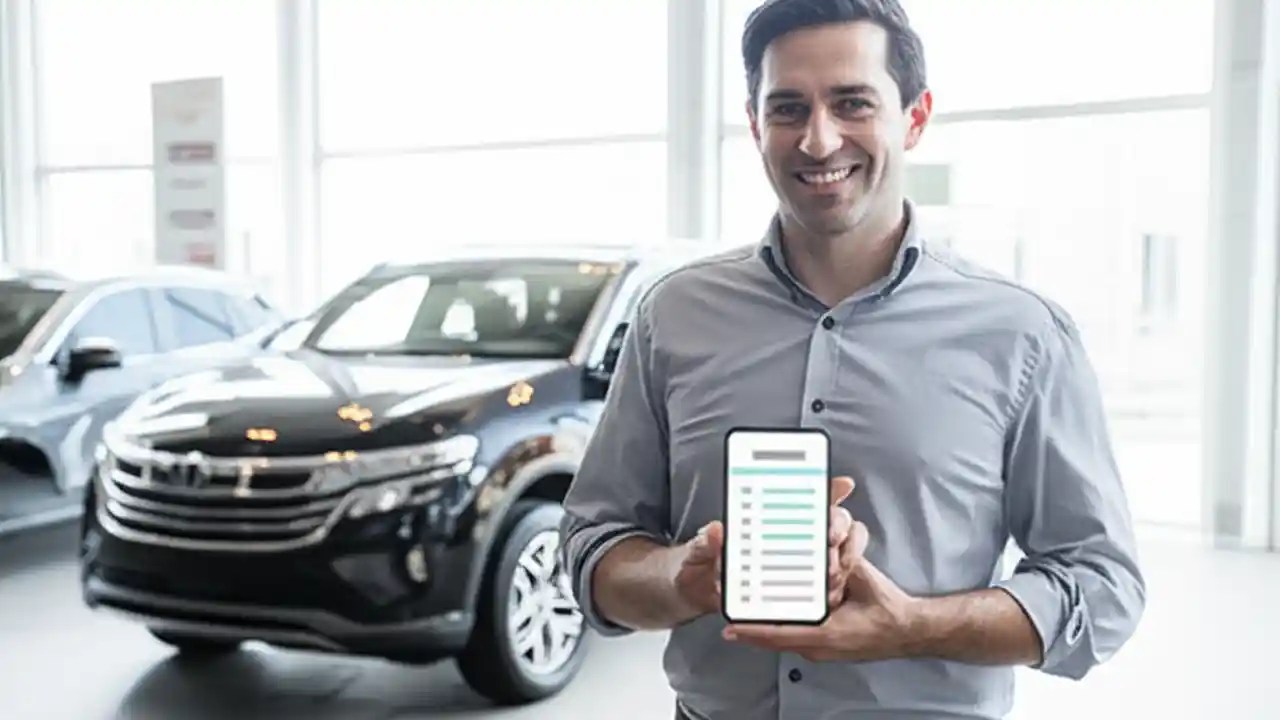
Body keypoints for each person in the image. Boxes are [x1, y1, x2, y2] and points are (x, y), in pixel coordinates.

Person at [558, 0, 1146, 718]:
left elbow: (1101, 586)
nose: (818, 139)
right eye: (787, 109)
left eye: (851, 103)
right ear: (755, 126)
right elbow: (594, 543)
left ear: (915, 117)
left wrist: (913, 626)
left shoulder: (1022, 333)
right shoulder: (673, 315)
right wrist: (683, 577)